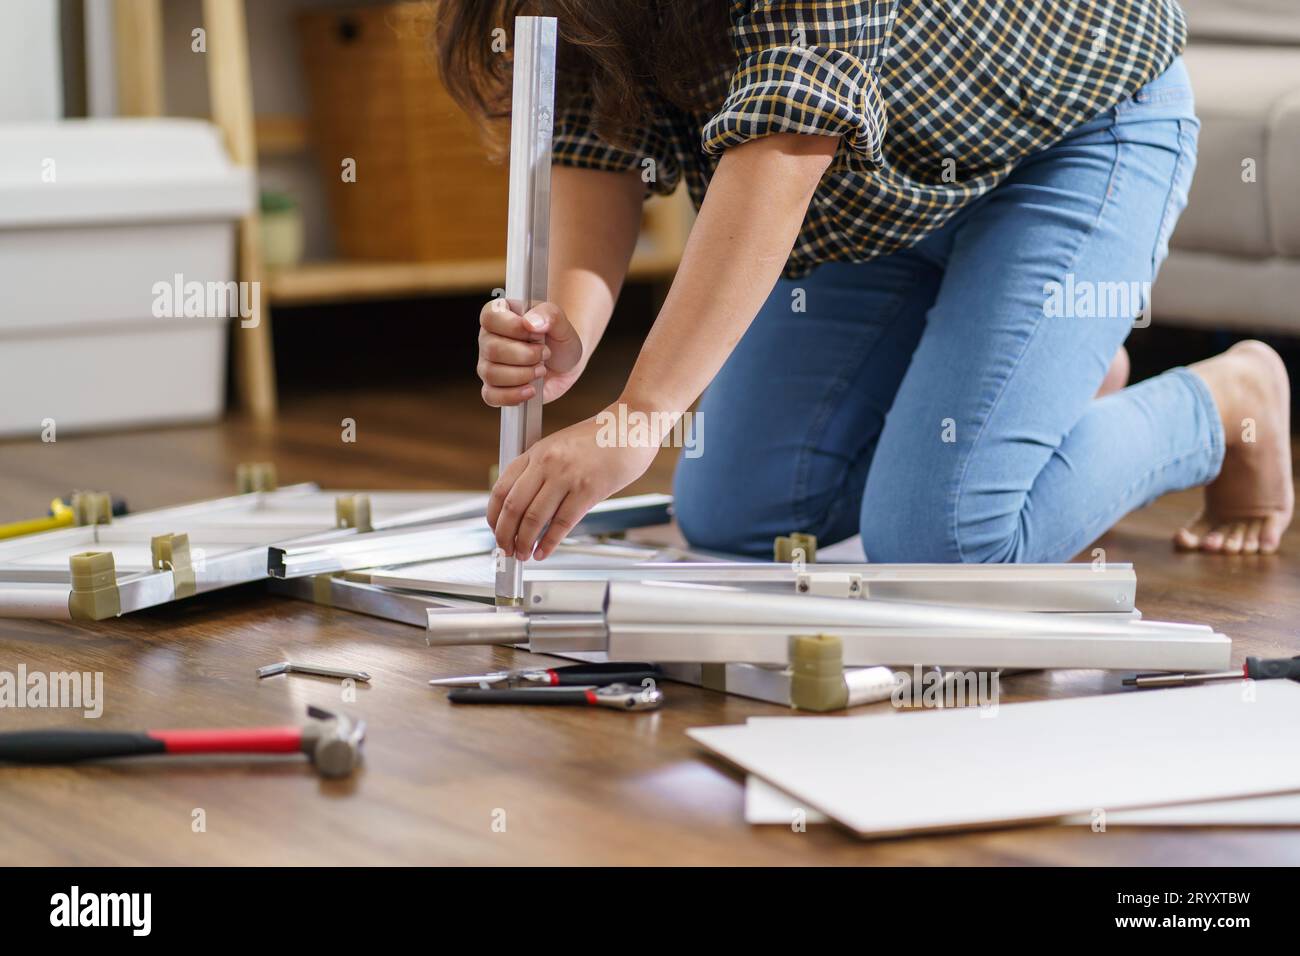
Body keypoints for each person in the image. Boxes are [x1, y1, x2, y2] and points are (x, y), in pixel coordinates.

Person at [437, 0, 1292, 563]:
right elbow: (596, 137)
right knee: (738, 516)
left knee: (948, 545)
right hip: (875, 198)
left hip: (1069, 133)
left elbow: (788, 141)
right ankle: (1023, 393)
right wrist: (567, 328)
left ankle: (1230, 399)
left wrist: (641, 414)